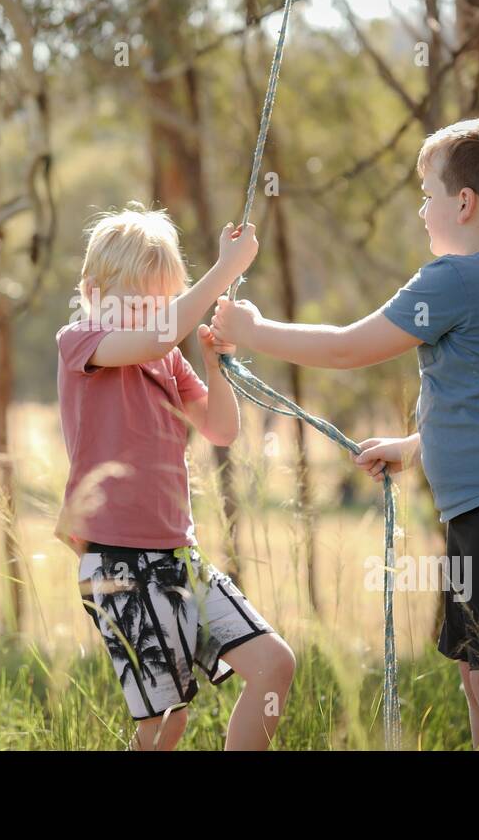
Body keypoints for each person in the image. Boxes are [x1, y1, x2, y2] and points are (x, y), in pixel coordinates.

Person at [212, 118, 479, 750]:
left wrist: (252, 331)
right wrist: (413, 447)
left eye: (428, 195)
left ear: (464, 203)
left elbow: (345, 349)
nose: (423, 210)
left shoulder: (455, 280)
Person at [56, 201, 295, 751]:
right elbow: (159, 337)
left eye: (160, 301)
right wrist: (225, 271)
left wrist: (215, 365)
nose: (149, 312)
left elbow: (220, 429)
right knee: (165, 722)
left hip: (179, 556)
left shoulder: (166, 361)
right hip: (115, 560)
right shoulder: (81, 342)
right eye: (136, 299)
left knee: (272, 666)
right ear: (92, 291)